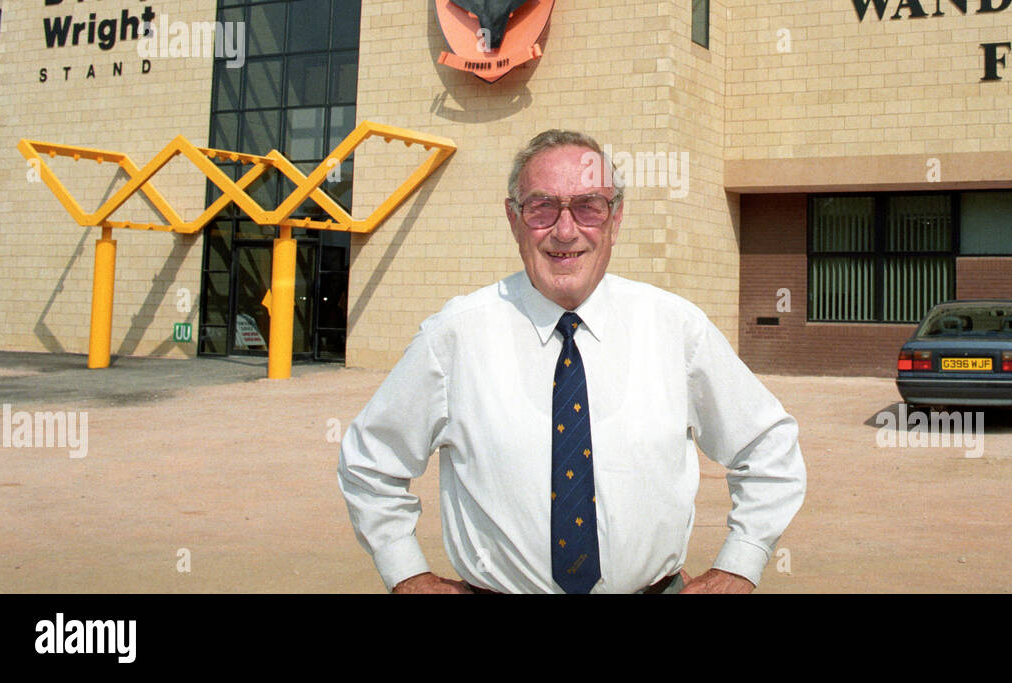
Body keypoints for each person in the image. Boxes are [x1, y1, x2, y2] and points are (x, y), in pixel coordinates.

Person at [338, 129, 805, 593]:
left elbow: (767, 446)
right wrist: (408, 575)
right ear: (514, 218)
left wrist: (740, 565)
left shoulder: (676, 328)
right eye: (542, 207)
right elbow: (370, 461)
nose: (565, 231)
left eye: (589, 207)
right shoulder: (454, 337)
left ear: (616, 219)